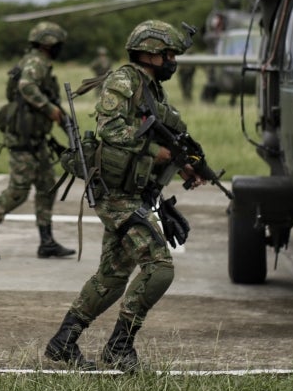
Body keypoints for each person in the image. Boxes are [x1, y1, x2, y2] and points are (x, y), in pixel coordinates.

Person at [43, 20, 201, 371]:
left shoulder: (152, 88)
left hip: (134, 193)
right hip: (116, 195)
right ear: (149, 52)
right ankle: (119, 347)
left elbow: (163, 138)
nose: (173, 60)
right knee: (159, 268)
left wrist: (182, 164)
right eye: (169, 53)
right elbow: (110, 129)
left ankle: (62, 343)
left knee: (112, 278)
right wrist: (155, 152)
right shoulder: (124, 81)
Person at [0, 21, 75, 260]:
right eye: (58, 43)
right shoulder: (36, 62)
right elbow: (26, 86)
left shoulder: (39, 62)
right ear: (48, 43)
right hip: (22, 139)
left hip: (36, 139)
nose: (60, 48)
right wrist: (50, 110)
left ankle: (46, 242)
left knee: (47, 186)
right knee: (18, 191)